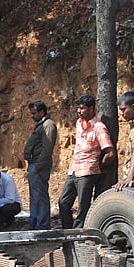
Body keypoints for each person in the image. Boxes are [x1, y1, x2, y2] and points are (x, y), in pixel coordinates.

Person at [58, 94, 115, 228]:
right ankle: (68, 231)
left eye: (82, 108)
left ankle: (79, 234)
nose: (79, 111)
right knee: (63, 202)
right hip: (74, 169)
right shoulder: (79, 123)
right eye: (78, 108)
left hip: (88, 172)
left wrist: (97, 166)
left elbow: (110, 153)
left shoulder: (99, 127)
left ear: (91, 109)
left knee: (83, 207)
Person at [22, 99, 58, 230]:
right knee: (35, 196)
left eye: (34, 113)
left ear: (42, 112)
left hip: (39, 165)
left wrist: (38, 166)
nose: (32, 116)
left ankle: (42, 225)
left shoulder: (48, 125)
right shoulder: (41, 125)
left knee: (40, 196)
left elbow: (47, 148)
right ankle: (34, 223)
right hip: (34, 164)